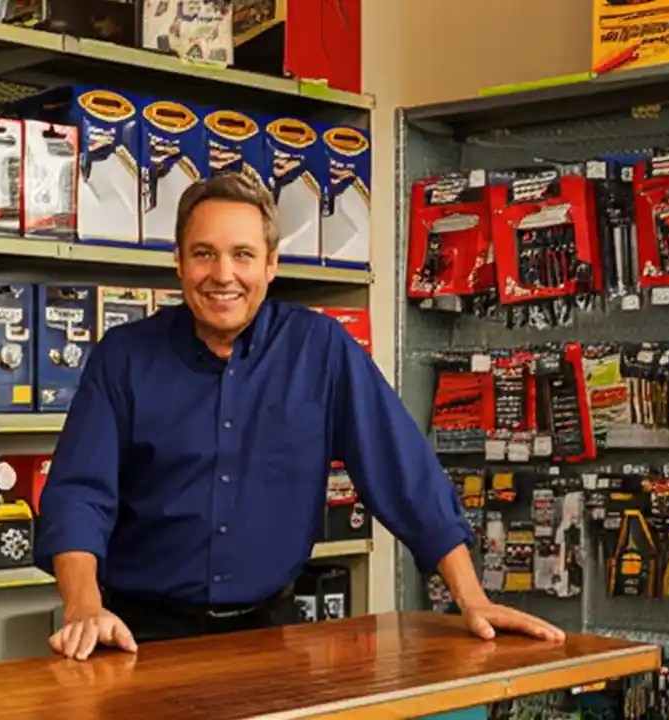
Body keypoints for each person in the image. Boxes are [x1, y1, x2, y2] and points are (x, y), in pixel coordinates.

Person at [36, 172, 565, 661]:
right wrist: (83, 606)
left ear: (271, 264)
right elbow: (80, 492)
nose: (223, 275)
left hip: (270, 634)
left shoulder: (320, 349)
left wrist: (471, 598)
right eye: (204, 254)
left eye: (242, 255)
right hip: (138, 637)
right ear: (178, 261)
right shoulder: (123, 357)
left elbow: (403, 470)